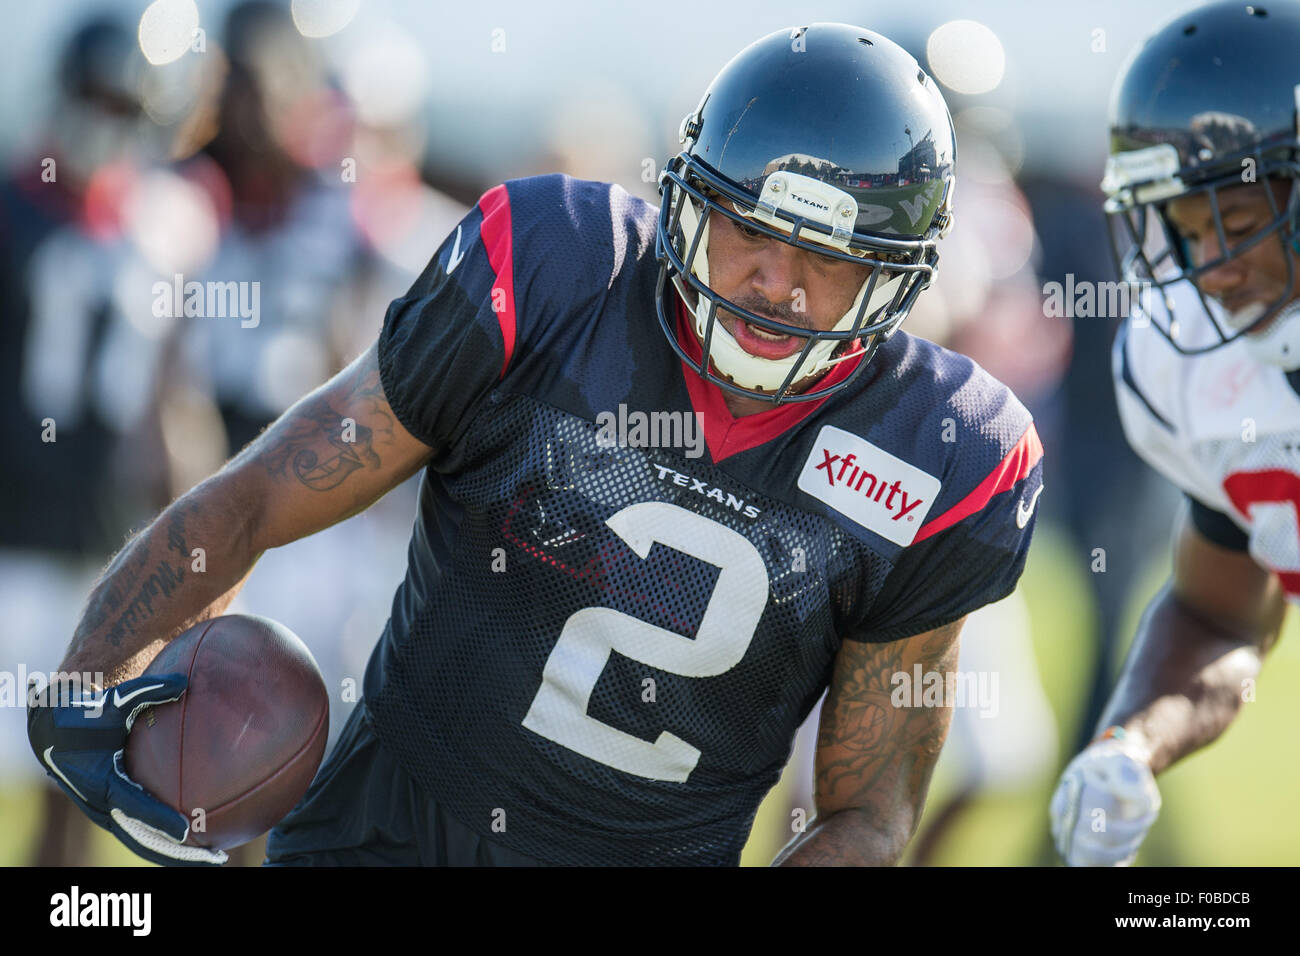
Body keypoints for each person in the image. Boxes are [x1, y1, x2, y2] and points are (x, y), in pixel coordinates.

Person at [29, 23, 1043, 867]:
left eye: (828, 254)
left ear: (899, 274)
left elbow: (866, 811)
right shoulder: (560, 270)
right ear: (688, 196)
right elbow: (262, 494)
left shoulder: (950, 450)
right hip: (385, 833)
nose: (777, 282)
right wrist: (90, 671)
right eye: (747, 228)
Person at [1050, 1, 1299, 867]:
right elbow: (1218, 611)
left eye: (1238, 222)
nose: (1213, 269)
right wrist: (1135, 745)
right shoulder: (1196, 378)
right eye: (1189, 233)